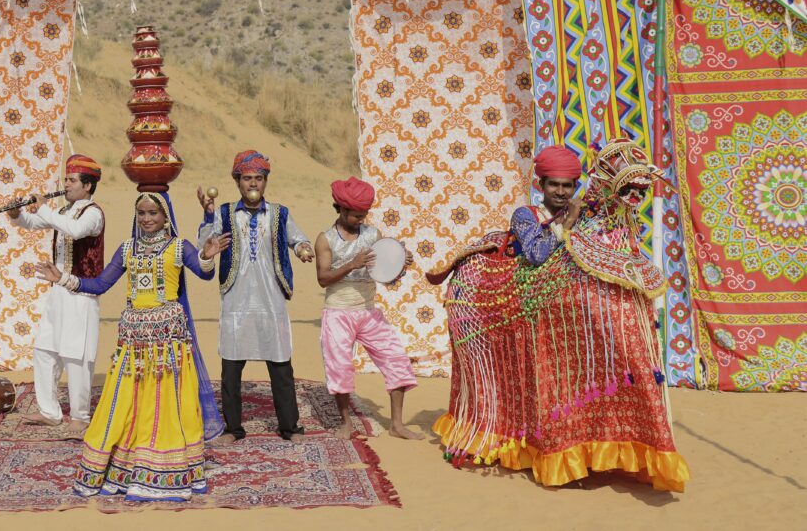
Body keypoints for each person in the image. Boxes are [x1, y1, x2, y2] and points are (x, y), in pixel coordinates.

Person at [433, 140, 690, 492]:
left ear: (576, 187)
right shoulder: (527, 215)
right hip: (521, 301)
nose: (560, 191)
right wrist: (565, 224)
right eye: (553, 184)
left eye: (567, 186)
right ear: (541, 186)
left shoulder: (585, 214)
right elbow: (537, 254)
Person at [36, 192, 228, 501]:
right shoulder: (127, 250)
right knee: (127, 399)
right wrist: (62, 278)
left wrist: (207, 256)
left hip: (167, 342)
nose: (148, 218)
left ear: (166, 217)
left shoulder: (179, 247)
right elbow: (100, 284)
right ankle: (128, 463)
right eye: (142, 213)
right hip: (134, 342)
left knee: (167, 402)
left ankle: (164, 466)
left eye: (154, 213)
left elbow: (204, 274)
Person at [197, 150, 314, 443]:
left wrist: (302, 249)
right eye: (247, 178)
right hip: (236, 302)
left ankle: (290, 427)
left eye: (259, 178)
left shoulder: (279, 213)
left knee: (280, 364)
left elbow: (298, 238)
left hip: (270, 301)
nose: (253, 184)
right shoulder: (224, 213)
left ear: (265, 182)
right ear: (237, 181)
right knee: (231, 368)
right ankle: (234, 429)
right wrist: (208, 215)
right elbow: (205, 247)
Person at [314, 177, 420, 439]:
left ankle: (396, 425)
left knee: (397, 359)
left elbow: (387, 274)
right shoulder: (325, 239)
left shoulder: (374, 235)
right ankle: (346, 423)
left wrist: (402, 263)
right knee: (339, 367)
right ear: (340, 209)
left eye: (364, 215)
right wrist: (352, 263)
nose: (360, 220)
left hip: (368, 310)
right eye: (355, 216)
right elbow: (323, 278)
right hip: (338, 311)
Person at [9, 153, 106, 435]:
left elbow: (74, 231)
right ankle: (50, 412)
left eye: (72, 180)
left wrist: (45, 208)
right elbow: (31, 223)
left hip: (80, 294)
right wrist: (17, 214)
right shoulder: (62, 212)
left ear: (87, 186)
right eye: (66, 179)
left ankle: (80, 415)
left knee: (77, 356)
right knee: (44, 350)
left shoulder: (93, 214)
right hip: (57, 293)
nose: (66, 184)